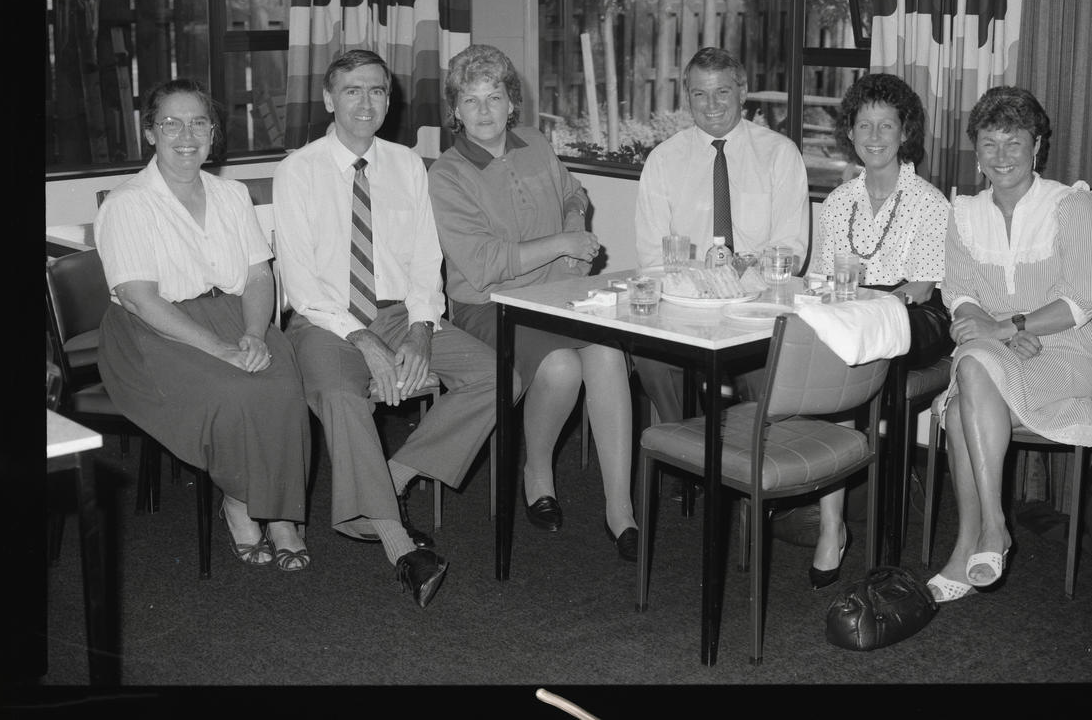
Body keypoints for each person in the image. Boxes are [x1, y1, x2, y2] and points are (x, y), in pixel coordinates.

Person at [273, 48, 502, 607]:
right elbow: (301, 283)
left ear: (389, 100)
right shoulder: (297, 170)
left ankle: (384, 489)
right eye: (352, 90)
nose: (366, 101)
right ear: (329, 99)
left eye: (377, 90)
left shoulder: (406, 164)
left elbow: (427, 261)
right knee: (341, 396)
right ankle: (400, 546)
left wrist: (423, 328)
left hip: (403, 313)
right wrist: (363, 338)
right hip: (324, 320)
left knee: (497, 376)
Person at [427, 44, 639, 561]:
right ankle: (536, 471)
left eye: (494, 97)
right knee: (563, 369)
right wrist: (564, 245)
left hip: (556, 296)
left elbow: (574, 195)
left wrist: (573, 227)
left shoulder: (536, 144)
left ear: (511, 103)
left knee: (609, 355)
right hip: (490, 305)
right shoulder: (447, 174)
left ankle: (621, 510)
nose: (483, 110)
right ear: (455, 109)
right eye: (471, 100)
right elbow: (483, 262)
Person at [96, 79, 311, 571]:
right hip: (152, 330)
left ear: (213, 133)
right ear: (150, 133)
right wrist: (221, 349)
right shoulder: (127, 203)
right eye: (170, 123)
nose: (185, 134)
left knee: (281, 385)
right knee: (236, 393)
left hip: (237, 314)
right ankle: (240, 500)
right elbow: (138, 298)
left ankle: (279, 514)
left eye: (198, 122)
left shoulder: (232, 194)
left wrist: (254, 335)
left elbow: (259, 275)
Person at [926, 86, 1092, 603]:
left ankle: (976, 539)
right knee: (972, 379)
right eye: (989, 144)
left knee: (968, 387)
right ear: (977, 151)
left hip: (1069, 348)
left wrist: (1010, 331)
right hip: (994, 346)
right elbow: (958, 293)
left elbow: (1081, 299)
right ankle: (989, 531)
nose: (1001, 156)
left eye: (1014, 143)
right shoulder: (963, 212)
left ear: (1037, 146)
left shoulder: (1071, 205)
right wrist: (994, 333)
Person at [802, 73, 953, 587]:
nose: (873, 135)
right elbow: (821, 277)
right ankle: (831, 525)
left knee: (846, 351)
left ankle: (863, 526)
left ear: (904, 130)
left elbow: (925, 287)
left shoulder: (930, 201)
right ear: (850, 130)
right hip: (854, 310)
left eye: (885, 124)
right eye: (863, 123)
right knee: (818, 349)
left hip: (910, 312)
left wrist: (868, 308)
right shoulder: (839, 199)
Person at [633, 46, 810, 429]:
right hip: (686, 307)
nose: (711, 104)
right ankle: (689, 457)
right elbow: (652, 256)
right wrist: (702, 283)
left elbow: (790, 251)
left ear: (743, 92)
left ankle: (750, 472)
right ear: (688, 97)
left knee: (767, 380)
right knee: (653, 361)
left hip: (755, 308)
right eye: (699, 93)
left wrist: (740, 276)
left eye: (722, 92)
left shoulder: (780, 154)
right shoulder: (663, 160)